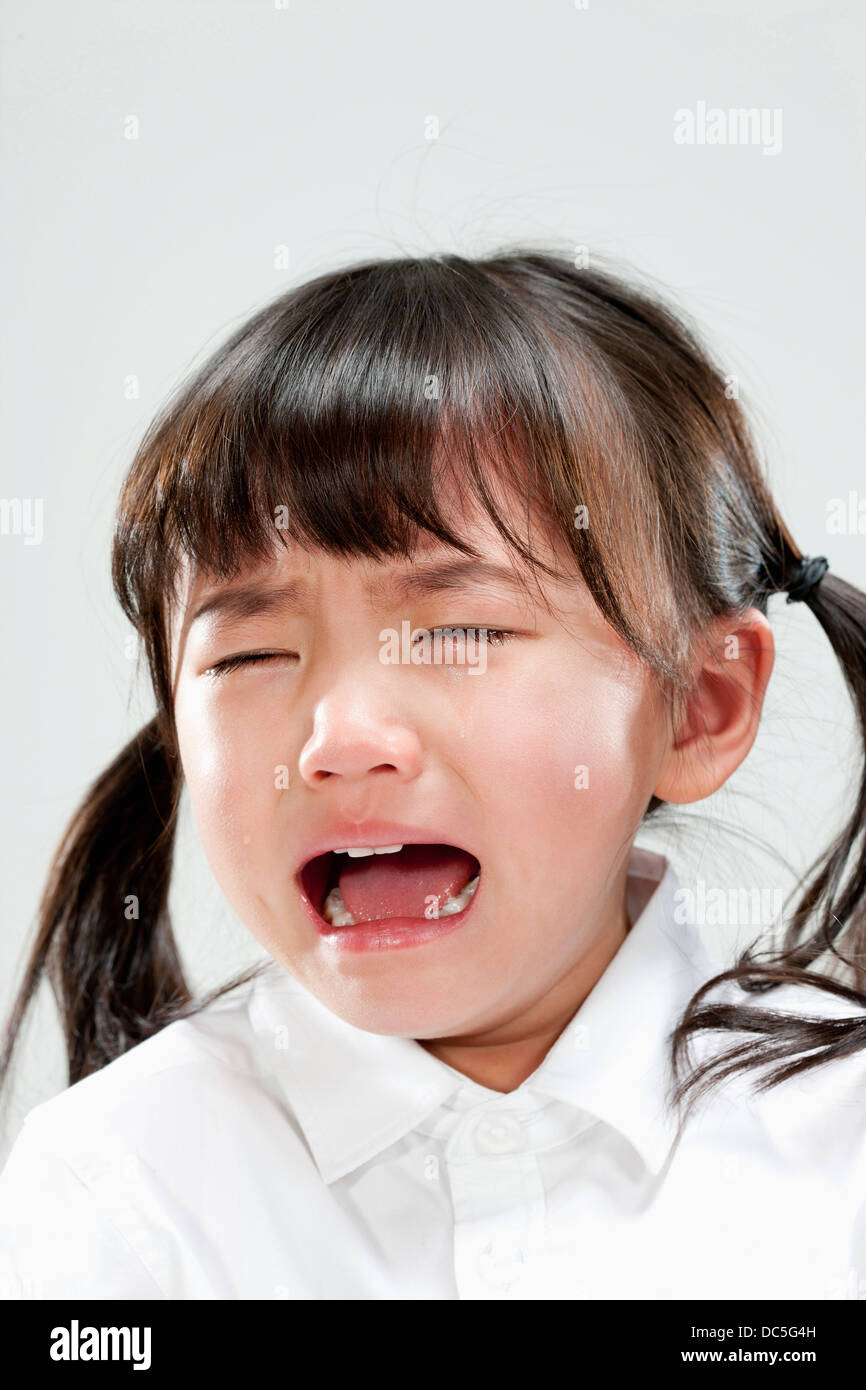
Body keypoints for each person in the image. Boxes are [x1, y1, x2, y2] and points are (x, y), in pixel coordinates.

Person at [1, 247, 865, 1300]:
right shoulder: (119, 1190)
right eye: (248, 655)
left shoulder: (838, 1157)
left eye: (458, 631)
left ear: (696, 706)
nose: (341, 737)